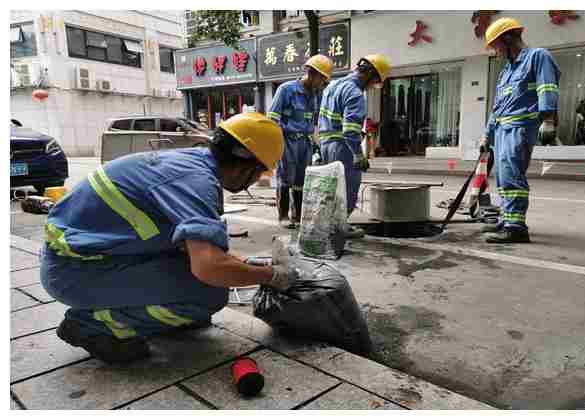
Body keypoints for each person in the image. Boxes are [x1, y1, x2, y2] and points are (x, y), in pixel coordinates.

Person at [40, 112, 296, 364]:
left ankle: (159, 312)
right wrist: (271, 276)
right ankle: (92, 325)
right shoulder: (198, 182)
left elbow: (194, 247)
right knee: (210, 294)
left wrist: (241, 265)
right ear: (246, 165)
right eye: (260, 173)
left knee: (199, 280)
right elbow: (209, 266)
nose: (255, 181)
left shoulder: (191, 163)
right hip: (75, 273)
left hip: (86, 259)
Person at [481, 18, 560, 243]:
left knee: (513, 175)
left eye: (495, 46)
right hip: (503, 129)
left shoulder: (538, 57)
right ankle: (508, 220)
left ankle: (516, 227)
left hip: (522, 127)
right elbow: (498, 105)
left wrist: (548, 120)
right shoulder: (506, 70)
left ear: (507, 38)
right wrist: (487, 133)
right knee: (503, 176)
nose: (495, 52)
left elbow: (548, 88)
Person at [318, 54, 391, 238]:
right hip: (343, 148)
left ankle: (330, 225)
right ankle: (340, 227)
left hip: (326, 144)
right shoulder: (355, 93)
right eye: (374, 82)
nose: (372, 86)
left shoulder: (333, 86)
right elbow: (350, 132)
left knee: (332, 188)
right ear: (369, 74)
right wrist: (359, 156)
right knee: (348, 187)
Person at [267, 54, 334, 228]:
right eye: (322, 79)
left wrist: (316, 143)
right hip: (287, 141)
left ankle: (297, 216)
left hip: (305, 143)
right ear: (311, 74)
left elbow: (314, 120)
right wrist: (276, 143)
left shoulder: (315, 95)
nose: (323, 84)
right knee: (285, 178)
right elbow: (273, 118)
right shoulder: (286, 90)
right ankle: (283, 216)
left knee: (301, 181)